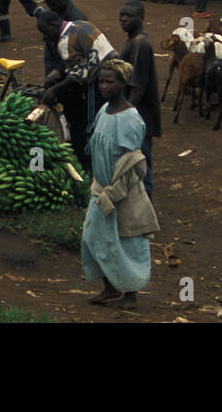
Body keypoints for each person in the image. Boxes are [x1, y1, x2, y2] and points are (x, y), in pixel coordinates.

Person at [81, 58, 158, 310]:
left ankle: (131, 293)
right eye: (101, 81)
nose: (104, 86)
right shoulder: (104, 111)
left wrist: (114, 193)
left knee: (126, 242)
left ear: (123, 83)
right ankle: (110, 287)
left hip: (122, 193)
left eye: (110, 82)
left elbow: (132, 165)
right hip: (100, 189)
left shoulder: (129, 119)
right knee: (94, 238)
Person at [36, 9, 117, 169]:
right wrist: (58, 72)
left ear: (54, 25)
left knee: (89, 124)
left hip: (100, 80)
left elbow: (77, 76)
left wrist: (54, 91)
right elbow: (80, 60)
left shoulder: (64, 41)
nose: (46, 38)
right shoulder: (80, 24)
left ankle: (90, 167)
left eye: (46, 32)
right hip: (115, 74)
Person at [118, 1, 161, 197]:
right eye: (122, 15)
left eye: (129, 16)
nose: (124, 19)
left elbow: (138, 86)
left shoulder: (140, 44)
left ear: (142, 18)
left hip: (140, 116)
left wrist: (124, 114)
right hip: (137, 115)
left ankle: (146, 220)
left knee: (142, 168)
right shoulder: (134, 40)